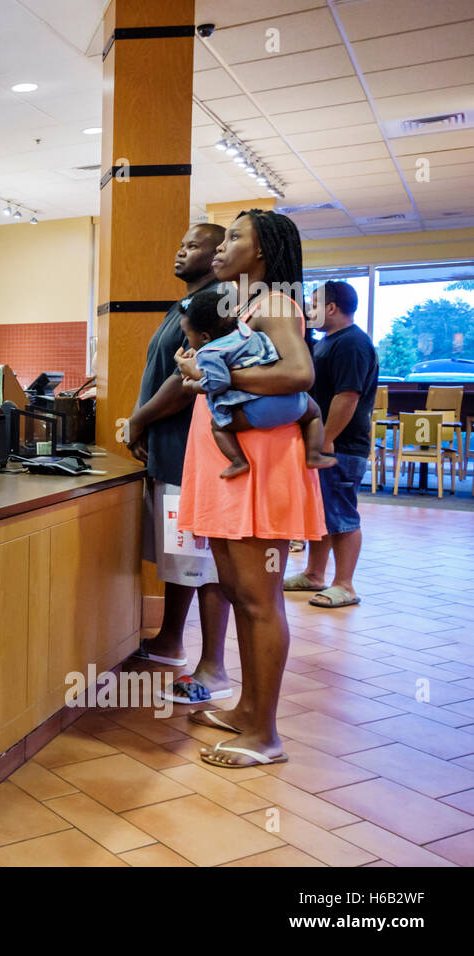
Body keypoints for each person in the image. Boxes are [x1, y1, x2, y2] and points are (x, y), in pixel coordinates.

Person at [174, 209, 326, 769]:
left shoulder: (277, 305)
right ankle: (247, 709)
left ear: (262, 254)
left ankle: (265, 734)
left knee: (260, 602)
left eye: (236, 237)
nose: (221, 246)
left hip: (261, 472)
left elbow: (298, 375)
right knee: (241, 593)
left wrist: (215, 376)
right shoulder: (248, 309)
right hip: (236, 470)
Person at [125, 223, 232, 704]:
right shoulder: (184, 304)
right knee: (181, 556)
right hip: (170, 452)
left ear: (215, 257)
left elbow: (183, 379)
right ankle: (171, 640)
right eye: (180, 241)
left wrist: (138, 420)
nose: (180, 250)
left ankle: (213, 666)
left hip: (191, 453)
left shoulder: (211, 306)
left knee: (202, 561)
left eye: (193, 246)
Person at [283, 280, 378, 608]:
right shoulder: (328, 342)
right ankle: (314, 574)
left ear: (331, 308)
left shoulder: (352, 344)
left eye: (313, 305)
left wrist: (326, 439)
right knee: (322, 513)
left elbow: (347, 397)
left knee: (342, 514)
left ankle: (345, 585)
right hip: (323, 444)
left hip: (342, 447)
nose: (309, 312)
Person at [176, 290, 337, 480]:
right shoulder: (245, 331)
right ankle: (313, 455)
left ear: (204, 337)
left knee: (218, 426)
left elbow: (218, 382)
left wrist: (193, 383)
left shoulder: (209, 353)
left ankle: (238, 461)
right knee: (315, 414)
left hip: (259, 408)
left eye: (188, 336)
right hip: (296, 402)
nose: (188, 342)